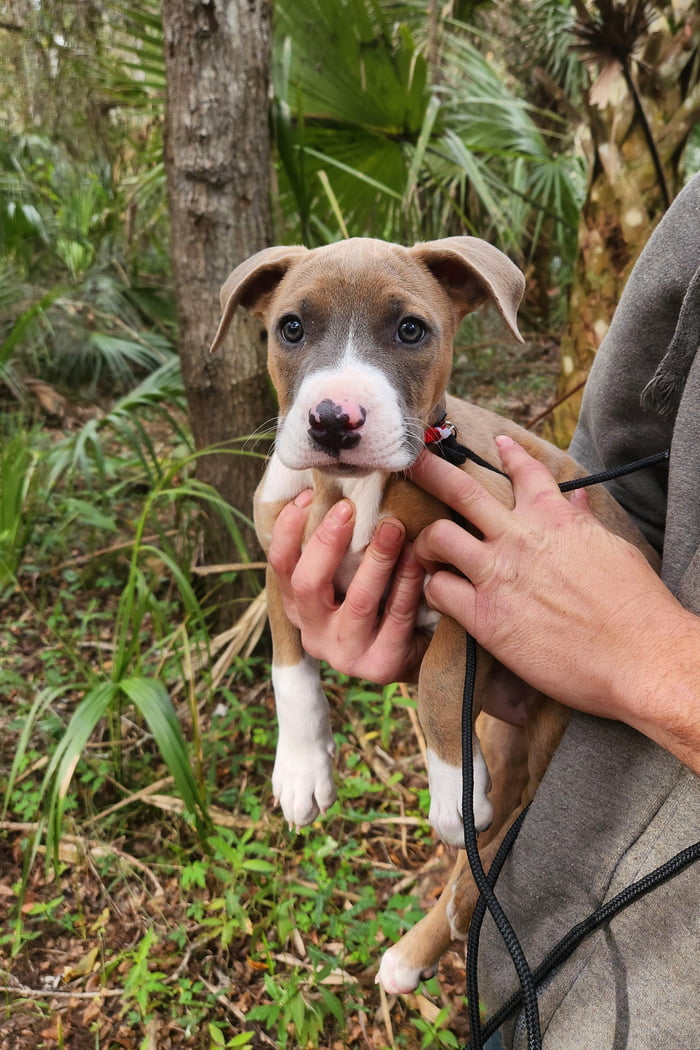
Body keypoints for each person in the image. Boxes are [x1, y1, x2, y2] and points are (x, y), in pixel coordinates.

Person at [267, 173, 700, 1047]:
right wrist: (306, 696)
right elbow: (626, 477)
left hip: (659, 980)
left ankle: (446, 917)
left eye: (408, 330)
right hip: (533, 964)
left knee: (501, 800)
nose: (339, 390)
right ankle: (458, 915)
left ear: (465, 304)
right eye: (293, 330)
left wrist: (649, 658)